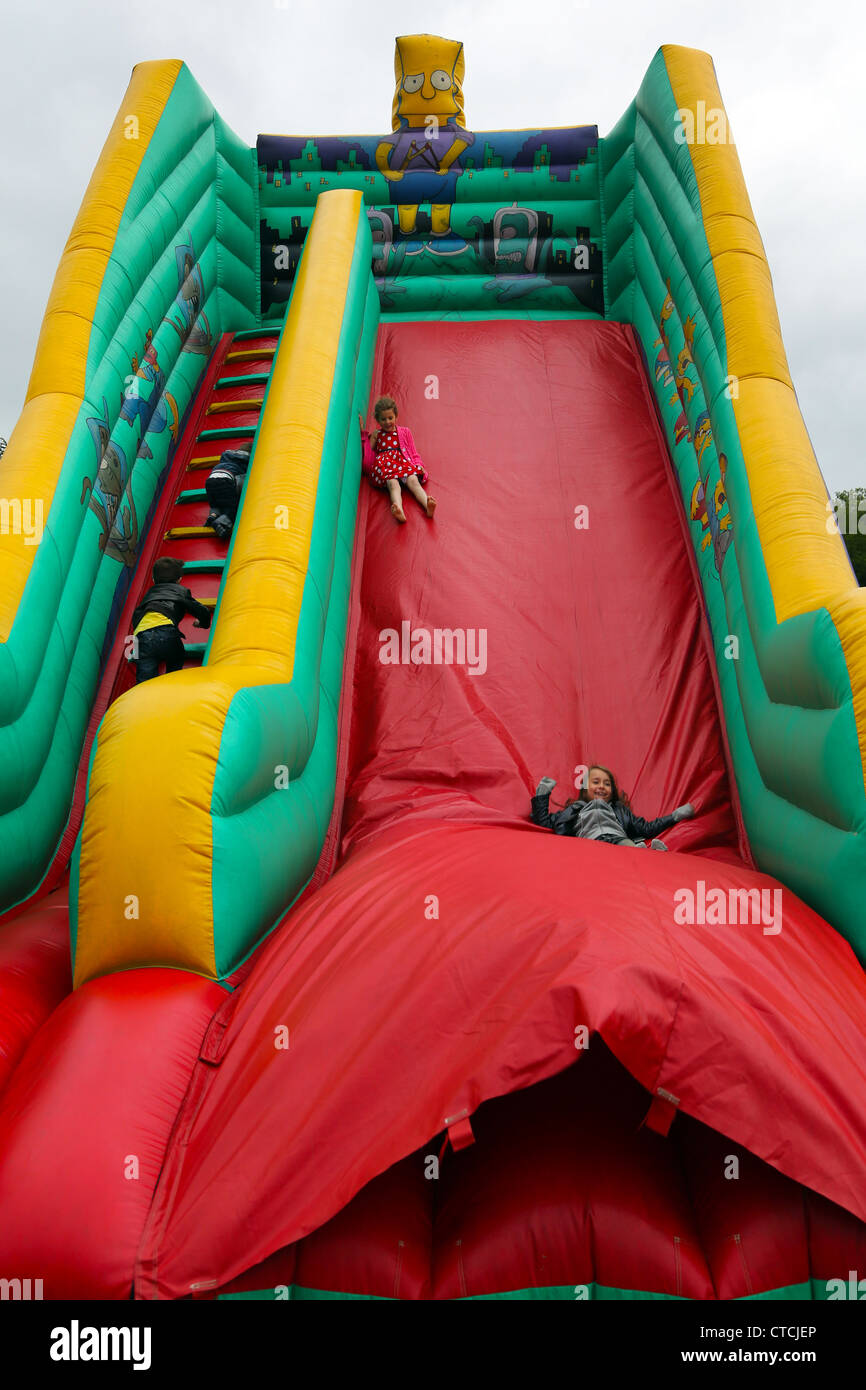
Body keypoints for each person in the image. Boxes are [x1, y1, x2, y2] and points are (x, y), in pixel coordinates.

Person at [530, 765, 695, 850]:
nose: (601, 786)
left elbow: (646, 828)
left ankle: (648, 855)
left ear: (612, 790)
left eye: (607, 784)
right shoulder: (575, 810)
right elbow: (544, 822)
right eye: (596, 782)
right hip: (589, 842)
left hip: (618, 839)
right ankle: (643, 853)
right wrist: (542, 795)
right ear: (585, 789)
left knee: (627, 846)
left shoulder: (618, 810)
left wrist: (675, 816)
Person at [130, 556, 212, 683]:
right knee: (177, 656)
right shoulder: (180, 591)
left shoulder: (149, 594)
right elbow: (200, 610)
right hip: (166, 632)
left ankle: (143, 695)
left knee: (145, 677)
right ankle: (172, 682)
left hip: (141, 636)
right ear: (179, 579)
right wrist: (203, 623)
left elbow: (137, 617)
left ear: (153, 579)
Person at [358, 397, 436, 523]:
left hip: (402, 463)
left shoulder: (405, 432)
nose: (387, 422)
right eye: (383, 419)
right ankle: (398, 509)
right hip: (386, 467)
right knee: (393, 484)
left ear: (396, 416)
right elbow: (368, 456)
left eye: (390, 418)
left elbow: (413, 451)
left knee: (413, 480)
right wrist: (364, 436)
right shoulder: (377, 434)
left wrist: (418, 464)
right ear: (377, 420)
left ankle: (427, 505)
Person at [205, 448, 250, 540]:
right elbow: (242, 482)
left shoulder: (226, 455)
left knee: (215, 504)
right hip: (225, 480)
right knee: (232, 507)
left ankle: (213, 515)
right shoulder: (248, 459)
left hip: (210, 480)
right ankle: (220, 523)